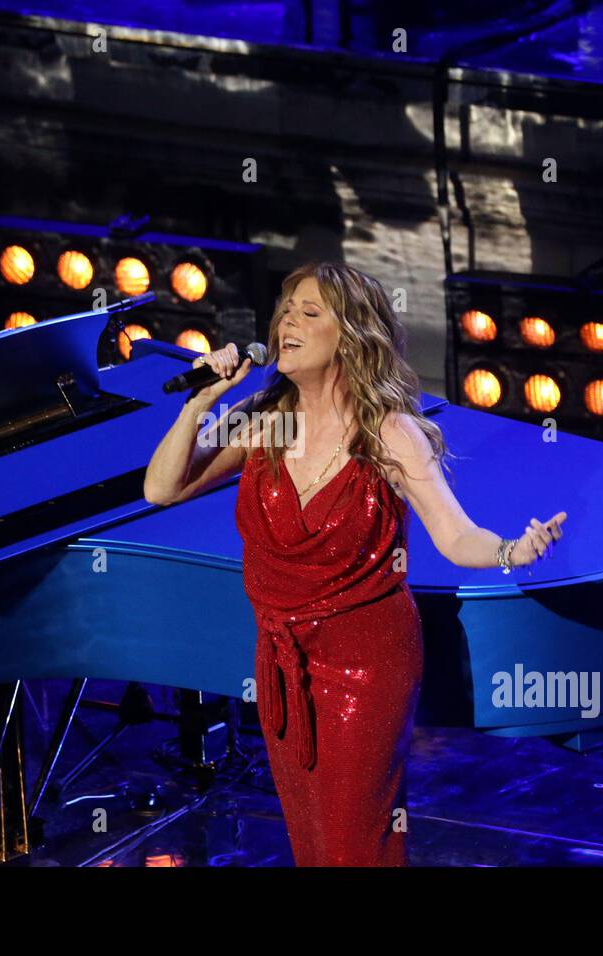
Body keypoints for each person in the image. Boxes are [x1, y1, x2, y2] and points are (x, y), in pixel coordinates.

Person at [144, 262, 566, 866]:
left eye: (309, 312)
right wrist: (202, 402)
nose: (289, 319)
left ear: (350, 335)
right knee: (312, 843)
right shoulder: (266, 420)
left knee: (352, 843)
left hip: (366, 661)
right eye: (286, 308)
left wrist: (511, 552)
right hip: (281, 659)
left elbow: (455, 535)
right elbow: (162, 489)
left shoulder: (388, 433)